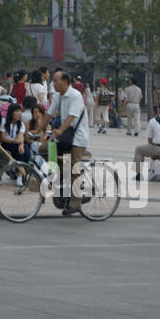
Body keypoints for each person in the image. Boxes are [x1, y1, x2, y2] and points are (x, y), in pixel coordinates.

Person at [46, 70, 89, 215]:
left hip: (78, 138)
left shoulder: (75, 96)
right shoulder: (58, 96)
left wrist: (59, 130)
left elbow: (71, 117)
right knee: (47, 153)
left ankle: (76, 202)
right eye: (53, 81)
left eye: (56, 81)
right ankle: (64, 191)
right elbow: (49, 113)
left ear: (64, 82)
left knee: (74, 169)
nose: (54, 84)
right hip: (65, 137)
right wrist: (38, 129)